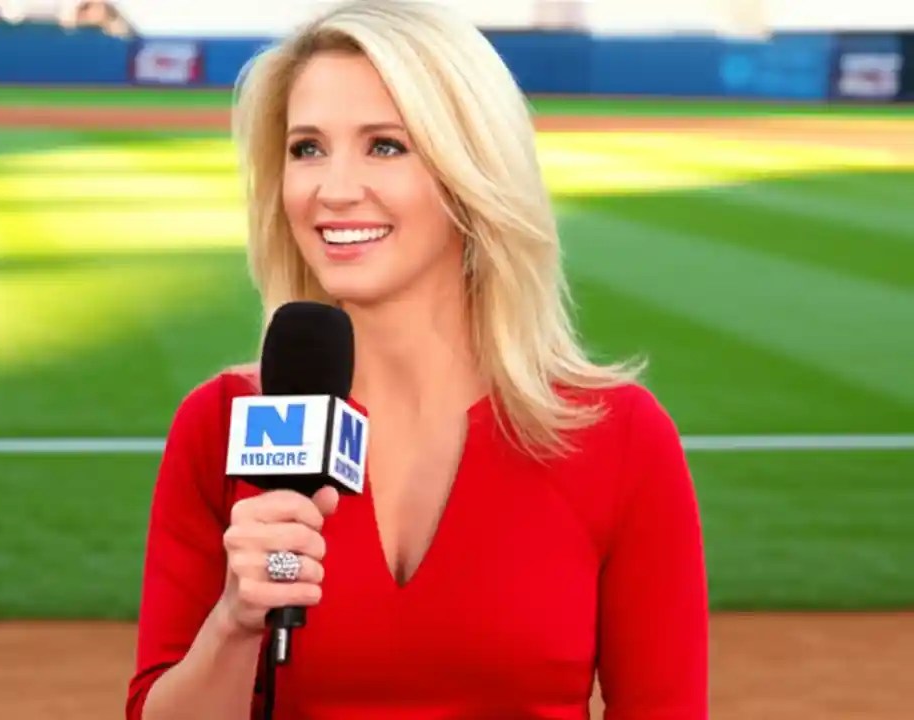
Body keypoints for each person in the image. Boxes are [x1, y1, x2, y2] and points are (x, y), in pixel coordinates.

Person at [126, 1, 709, 718]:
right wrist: (235, 621)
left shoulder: (618, 436)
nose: (332, 190)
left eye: (385, 145)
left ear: (471, 171)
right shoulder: (221, 425)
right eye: (307, 148)